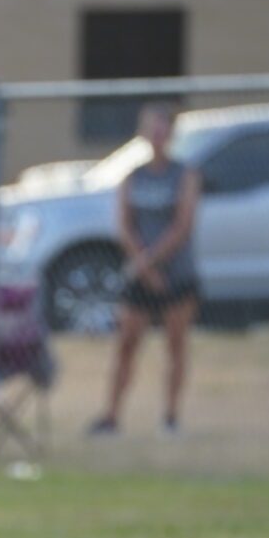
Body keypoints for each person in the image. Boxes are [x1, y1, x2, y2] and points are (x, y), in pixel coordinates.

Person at [89, 101, 201, 438]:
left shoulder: (185, 175)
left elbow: (182, 226)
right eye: (151, 127)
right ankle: (111, 416)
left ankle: (170, 417)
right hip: (140, 275)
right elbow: (124, 226)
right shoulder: (132, 177)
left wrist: (153, 261)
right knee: (126, 344)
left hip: (175, 274)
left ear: (171, 133)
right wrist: (143, 266)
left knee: (175, 345)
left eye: (163, 128)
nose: (157, 134)